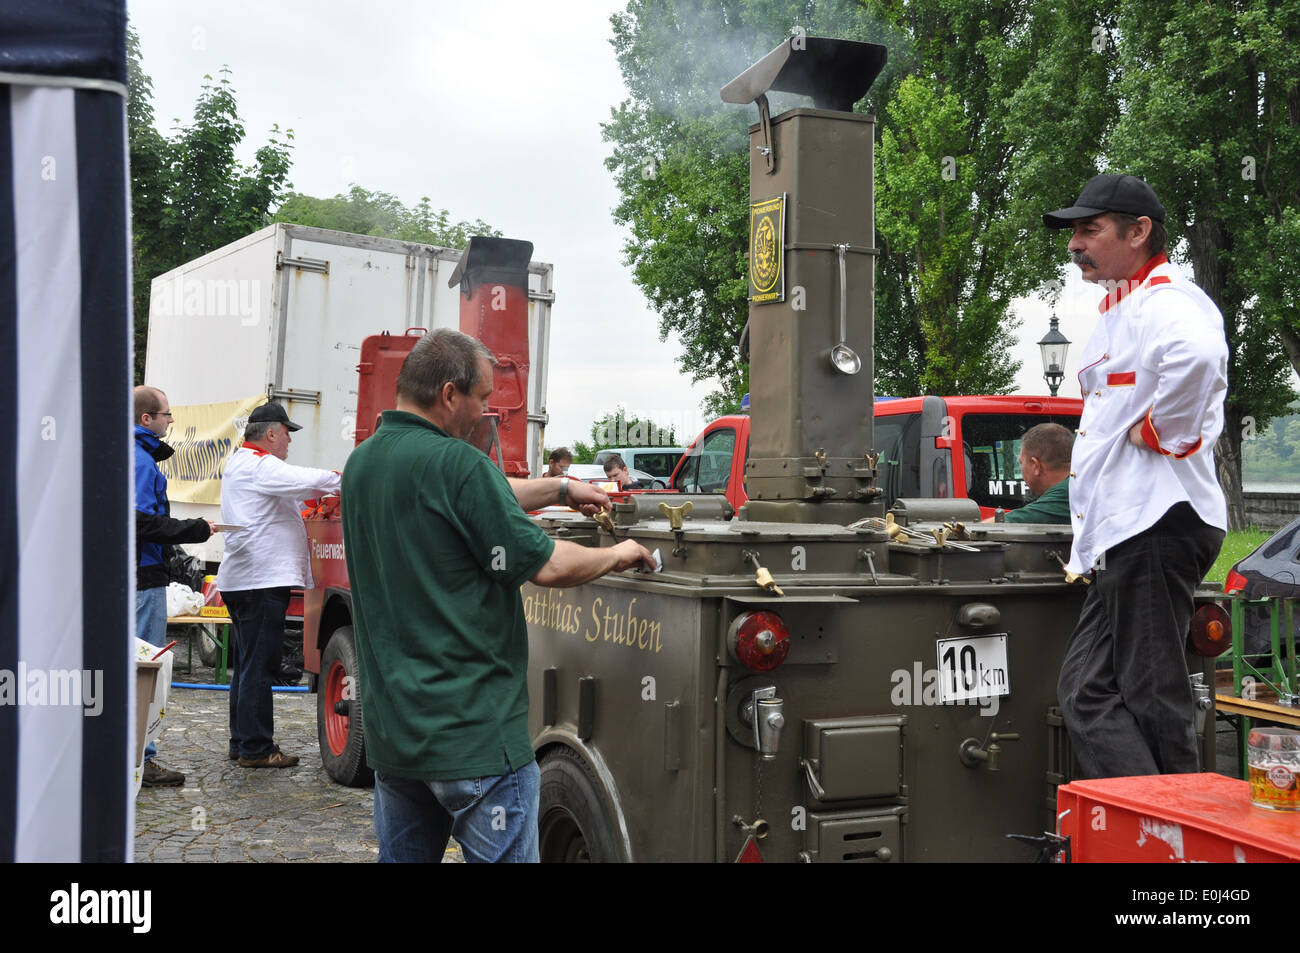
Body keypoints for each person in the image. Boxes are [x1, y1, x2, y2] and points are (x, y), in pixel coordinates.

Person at [341, 328, 655, 863]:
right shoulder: (459, 465)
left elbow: (474, 494)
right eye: (483, 398)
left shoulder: (363, 465)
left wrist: (559, 488)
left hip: (397, 738)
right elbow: (551, 565)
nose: (486, 412)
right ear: (448, 395)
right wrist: (619, 552)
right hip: (475, 742)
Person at [1044, 173, 1227, 778]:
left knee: (1153, 697)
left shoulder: (1167, 298)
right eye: (1074, 233)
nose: (1075, 246)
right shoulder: (1127, 308)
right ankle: (1147, 823)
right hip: (1130, 532)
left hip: (1156, 523)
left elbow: (1197, 358)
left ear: (1139, 231)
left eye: (1089, 230)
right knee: (1085, 691)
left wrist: (1162, 431)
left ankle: (1175, 848)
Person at [217, 402, 341, 768]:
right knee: (258, 665)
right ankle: (256, 748)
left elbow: (298, 493)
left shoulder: (244, 464)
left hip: (247, 579)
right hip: (260, 580)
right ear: (270, 434)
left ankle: (243, 741)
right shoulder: (262, 466)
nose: (289, 440)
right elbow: (310, 481)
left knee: (247, 664)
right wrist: (350, 478)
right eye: (287, 433)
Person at [134, 386, 213, 786]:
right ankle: (138, 761)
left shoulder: (130, 455)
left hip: (133, 575)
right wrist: (197, 528)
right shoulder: (139, 462)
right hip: (141, 578)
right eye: (166, 414)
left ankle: (130, 757)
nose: (170, 421)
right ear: (146, 419)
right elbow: (139, 521)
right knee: (144, 669)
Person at [1001, 423, 1073, 525]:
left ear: (1036, 466)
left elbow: (998, 525)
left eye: (1021, 462)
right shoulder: (1078, 482)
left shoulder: (1067, 493)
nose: (1021, 468)